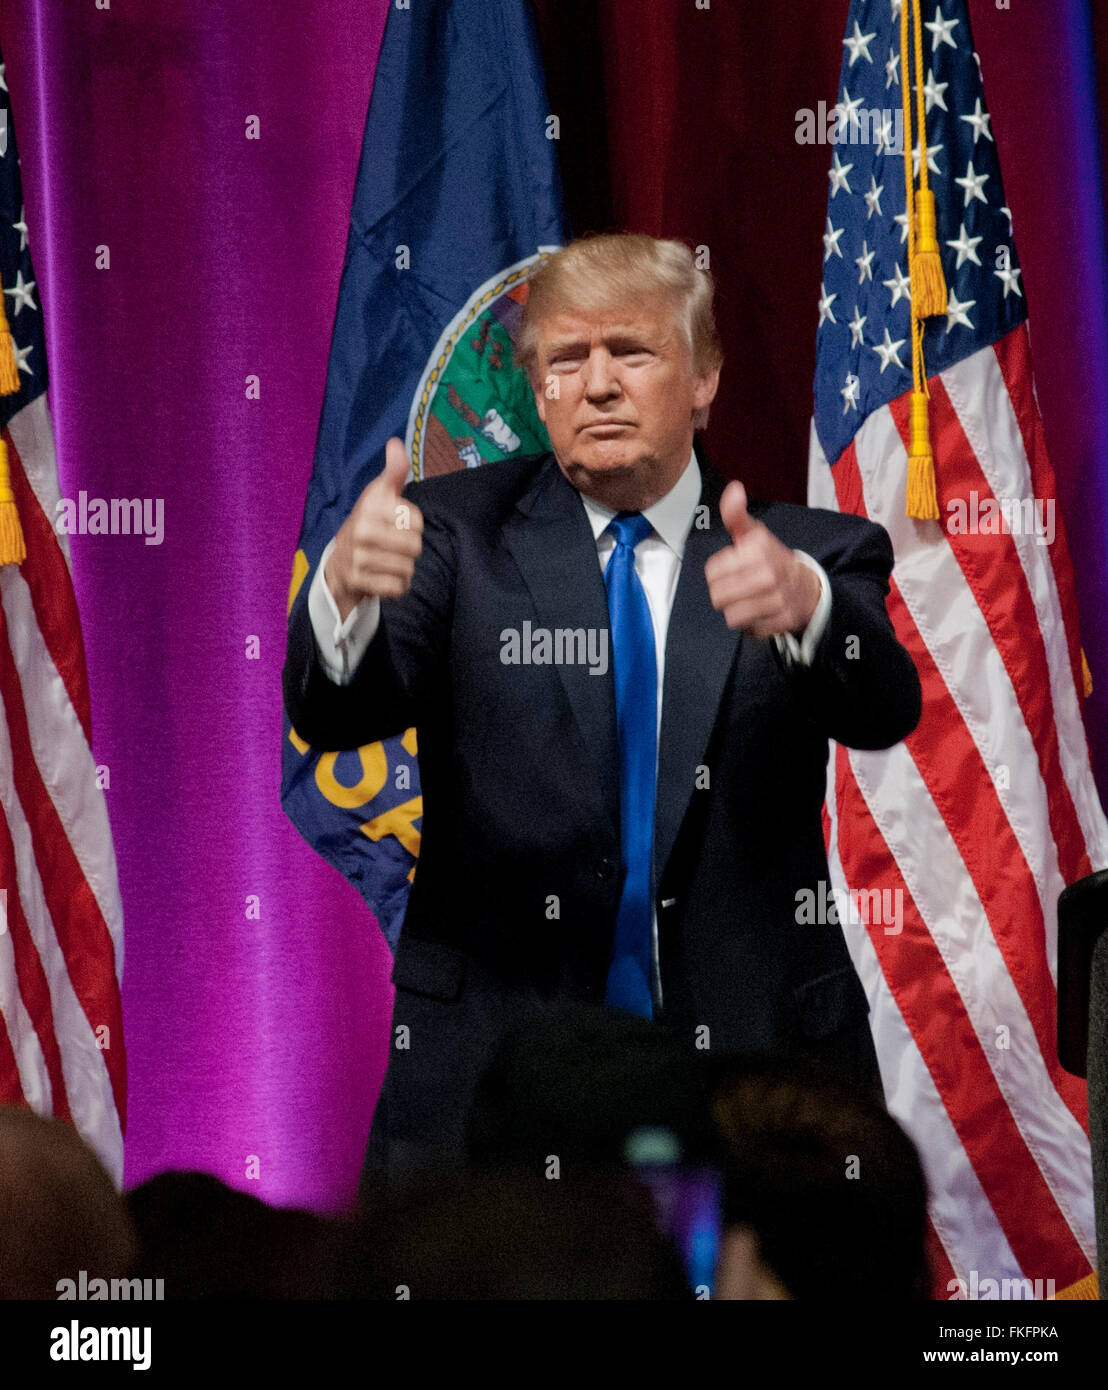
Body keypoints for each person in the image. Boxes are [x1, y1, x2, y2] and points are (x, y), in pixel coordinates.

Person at [283, 233, 922, 1191]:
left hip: (753, 1079)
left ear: (704, 376)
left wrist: (812, 616)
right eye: (564, 361)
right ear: (536, 388)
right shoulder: (452, 535)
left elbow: (885, 707)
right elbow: (337, 716)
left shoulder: (807, 553)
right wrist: (341, 596)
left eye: (631, 351)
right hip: (499, 1081)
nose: (597, 385)